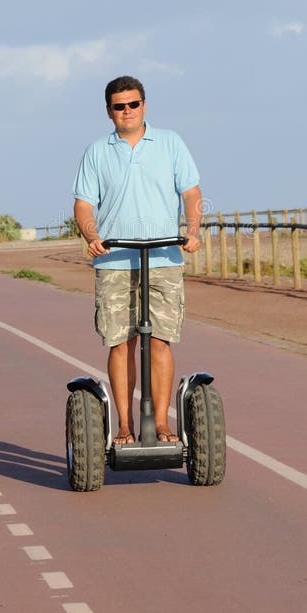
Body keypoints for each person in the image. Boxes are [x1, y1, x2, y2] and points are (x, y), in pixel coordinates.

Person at [73, 75, 202, 445]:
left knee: (160, 340)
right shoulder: (97, 151)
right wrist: (92, 236)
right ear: (108, 110)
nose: (127, 111)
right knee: (120, 342)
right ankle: (125, 427)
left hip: (163, 255)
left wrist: (193, 229)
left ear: (144, 105)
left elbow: (191, 192)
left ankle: (162, 425)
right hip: (115, 259)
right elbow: (84, 203)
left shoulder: (170, 142)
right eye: (119, 106)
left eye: (133, 104)